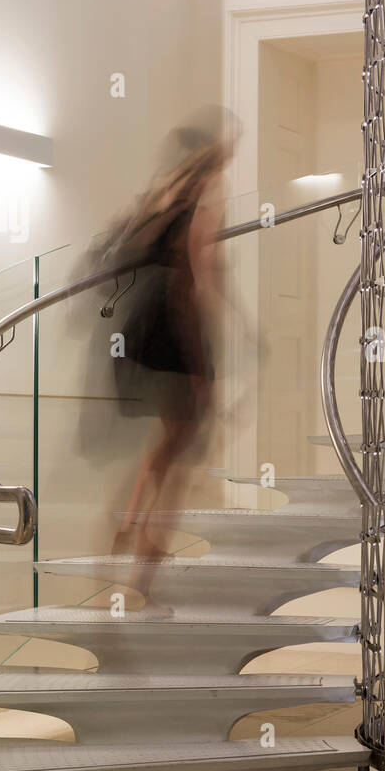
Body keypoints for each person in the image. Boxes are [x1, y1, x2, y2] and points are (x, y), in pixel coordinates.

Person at [102, 116, 233, 614]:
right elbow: (200, 277)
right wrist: (204, 360)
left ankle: (131, 518)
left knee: (169, 442)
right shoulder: (203, 199)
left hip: (140, 330)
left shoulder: (160, 191)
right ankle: (145, 571)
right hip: (178, 331)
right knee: (183, 457)